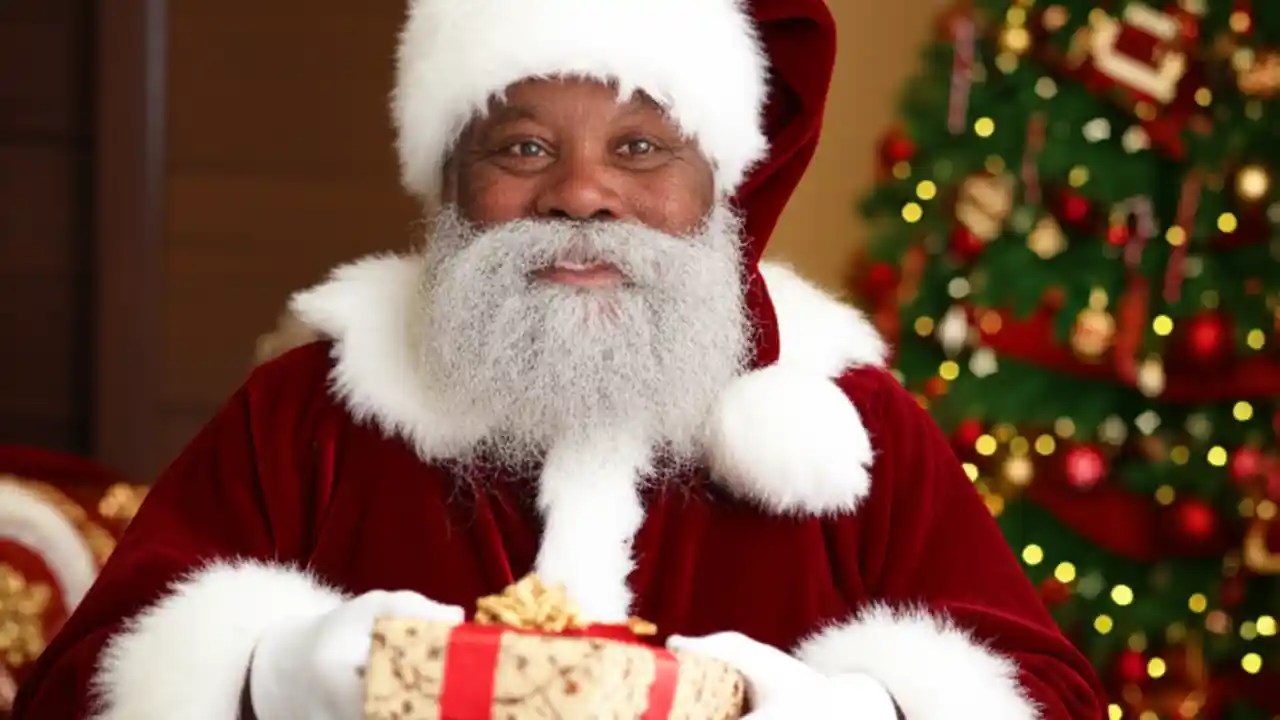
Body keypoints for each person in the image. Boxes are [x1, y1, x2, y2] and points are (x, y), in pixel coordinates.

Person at [15, 0, 1106, 718]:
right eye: (524, 146)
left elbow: (1047, 699)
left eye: (639, 148)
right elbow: (78, 693)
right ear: (450, 181)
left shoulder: (848, 427)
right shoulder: (308, 412)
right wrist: (276, 680)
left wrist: (842, 714)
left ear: (718, 186)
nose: (581, 194)